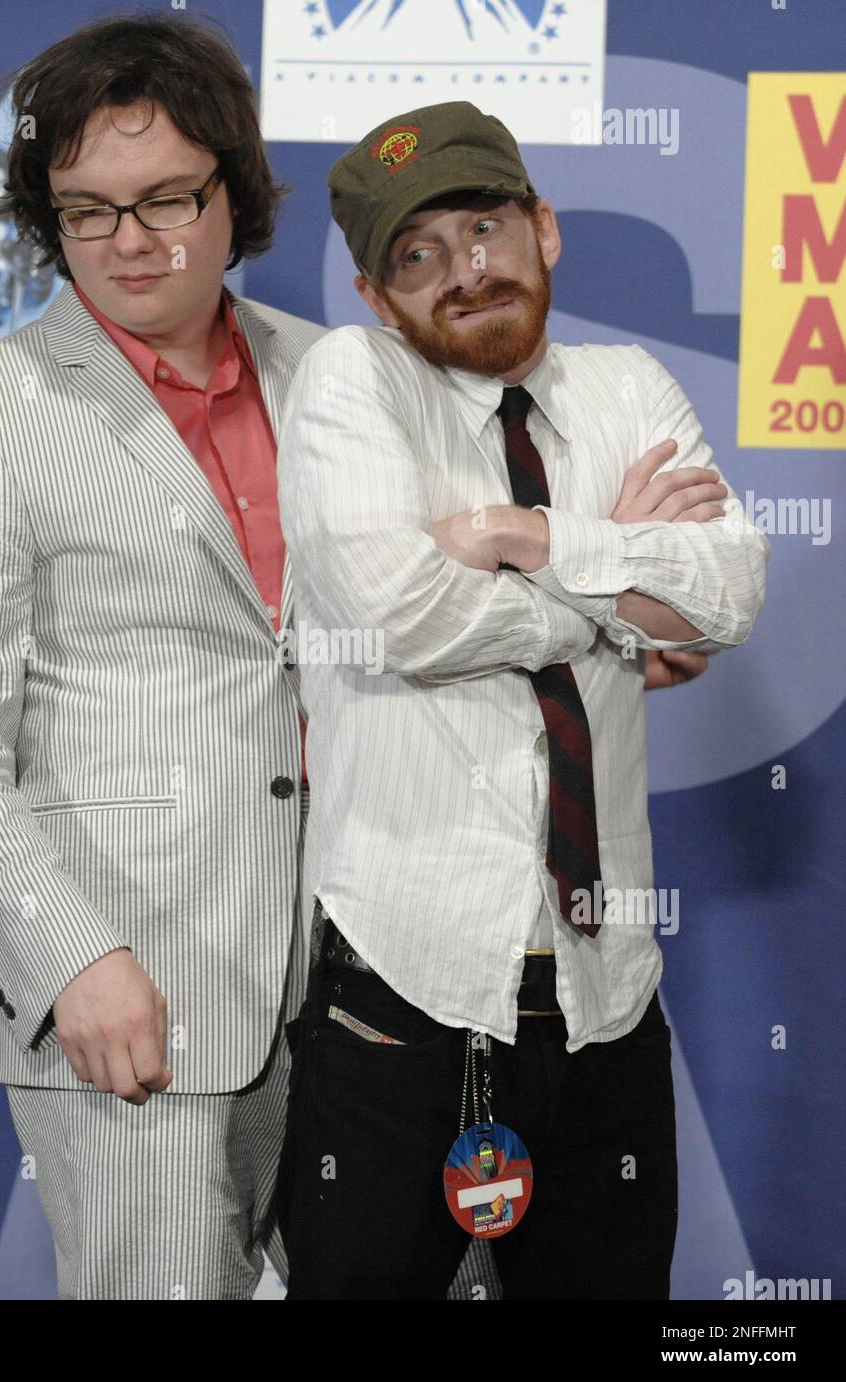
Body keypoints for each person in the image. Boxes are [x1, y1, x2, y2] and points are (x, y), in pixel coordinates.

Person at [274, 100, 770, 1300]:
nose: (463, 272)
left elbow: (728, 590)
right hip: (398, 995)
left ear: (543, 228)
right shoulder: (350, 384)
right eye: (417, 255)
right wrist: (612, 583)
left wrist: (514, 532)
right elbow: (407, 617)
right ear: (372, 292)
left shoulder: (626, 385)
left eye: (485, 228)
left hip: (604, 1004)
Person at [0, 14, 326, 1301]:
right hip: (134, 1002)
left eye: (165, 198)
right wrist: (72, 954)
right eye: (84, 211)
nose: (129, 240)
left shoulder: (339, 379)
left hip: (359, 995)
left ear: (233, 195)